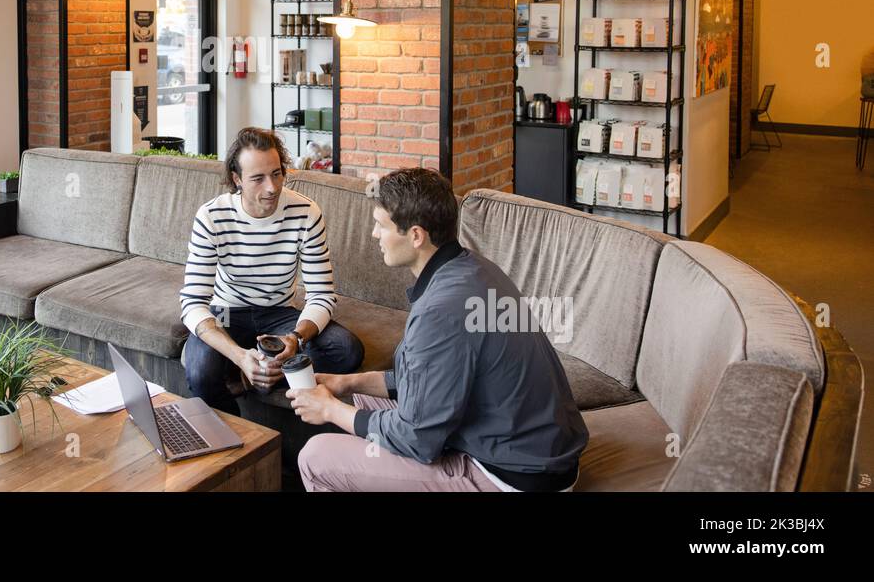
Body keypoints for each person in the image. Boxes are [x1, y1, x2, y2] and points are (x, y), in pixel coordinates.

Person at [290, 167, 588, 492]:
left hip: (515, 476)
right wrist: (345, 383)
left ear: (416, 235)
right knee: (359, 396)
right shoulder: (473, 268)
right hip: (539, 452)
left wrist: (330, 410)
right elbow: (431, 379)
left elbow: (418, 439)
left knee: (315, 456)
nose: (374, 234)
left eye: (381, 225)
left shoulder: (439, 311)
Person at [180, 127, 364, 416]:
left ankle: (255, 377)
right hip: (227, 311)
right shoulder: (212, 217)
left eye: (277, 173)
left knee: (346, 349)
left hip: (279, 312)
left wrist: (295, 338)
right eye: (258, 178)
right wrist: (240, 356)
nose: (272, 187)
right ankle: (240, 430)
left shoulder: (306, 212)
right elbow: (192, 304)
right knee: (200, 371)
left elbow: (322, 296)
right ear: (236, 179)